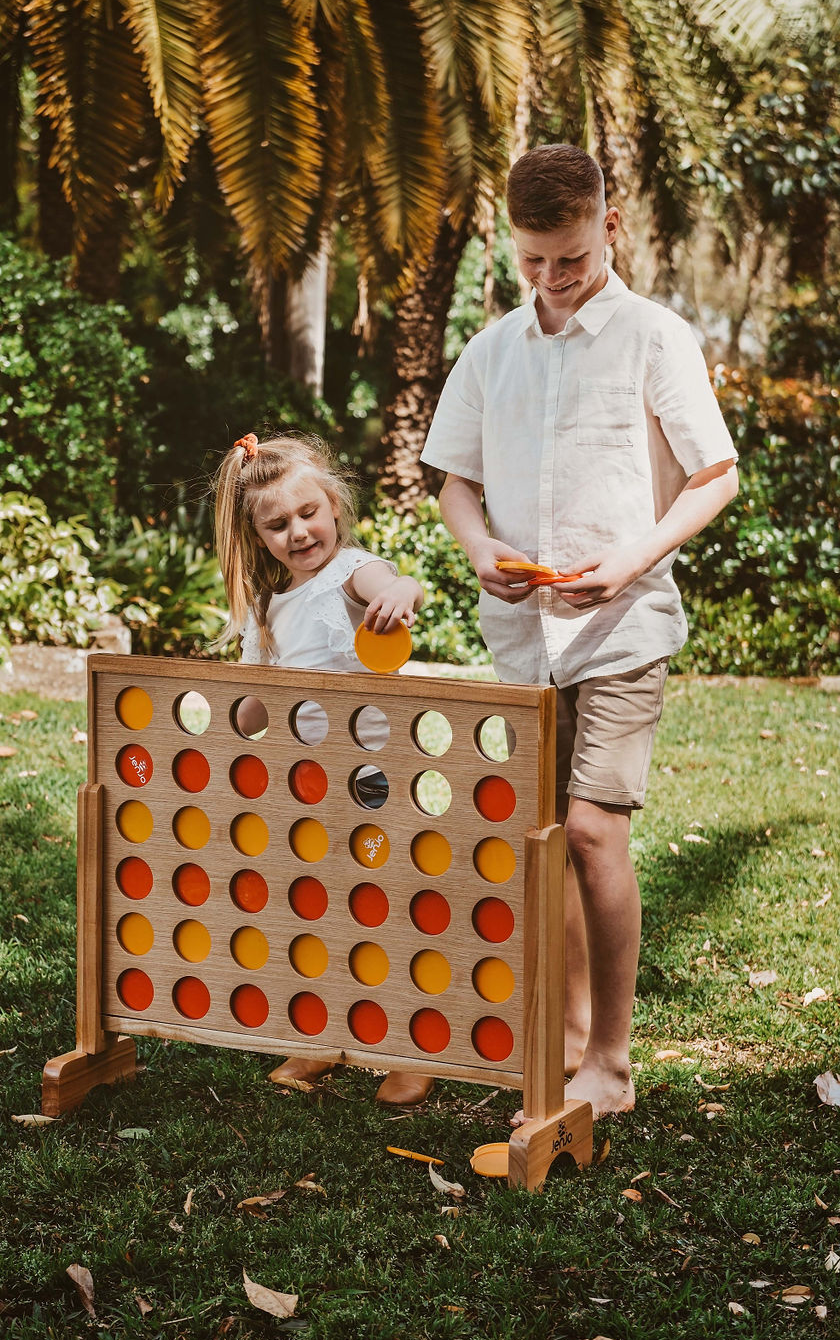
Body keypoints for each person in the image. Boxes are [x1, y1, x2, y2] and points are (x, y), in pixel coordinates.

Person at [420, 144, 739, 1120]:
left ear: (609, 224)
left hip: (622, 628)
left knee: (596, 831)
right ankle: (561, 1041)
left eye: (570, 257)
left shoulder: (654, 337)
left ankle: (610, 1060)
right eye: (532, 260)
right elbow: (455, 483)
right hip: (524, 637)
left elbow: (715, 475)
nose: (552, 277)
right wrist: (480, 547)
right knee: (548, 837)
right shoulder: (491, 351)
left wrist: (631, 561)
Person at [213, 431, 429, 1105]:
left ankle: (409, 1048)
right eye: (277, 525)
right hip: (301, 786)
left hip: (367, 783)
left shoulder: (353, 573)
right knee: (311, 910)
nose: (299, 533)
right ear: (257, 536)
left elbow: (394, 584)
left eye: (308, 513)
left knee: (377, 909)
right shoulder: (269, 606)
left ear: (334, 506)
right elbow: (253, 709)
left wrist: (403, 590)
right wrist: (231, 708)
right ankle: (321, 1035)